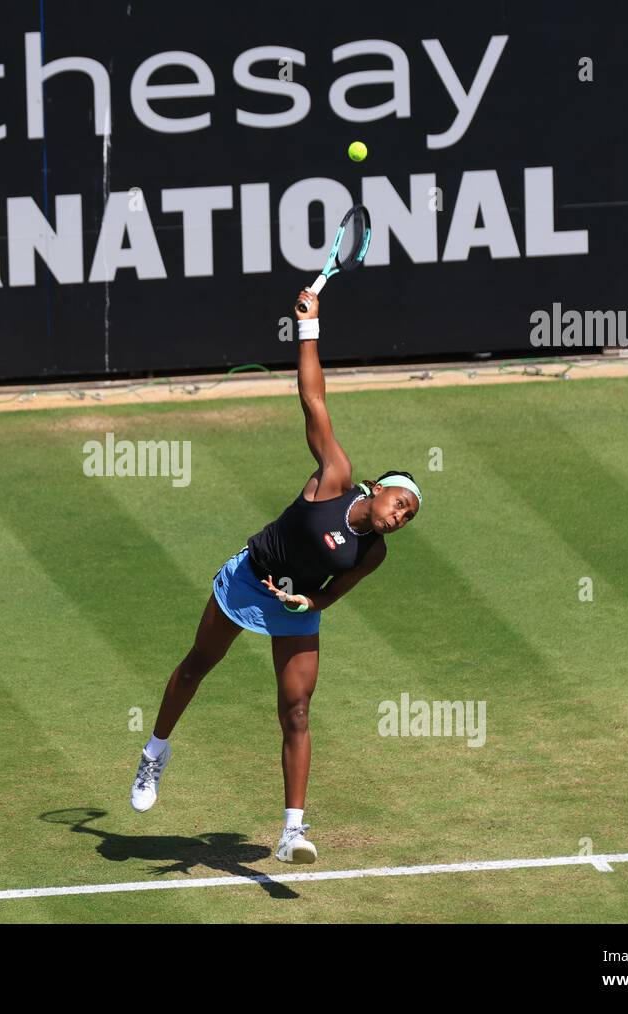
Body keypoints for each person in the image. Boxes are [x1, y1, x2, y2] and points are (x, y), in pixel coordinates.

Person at [130, 287, 423, 863]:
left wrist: (306, 607)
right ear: (380, 487)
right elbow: (312, 398)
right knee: (195, 667)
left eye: (410, 517)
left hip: (292, 608)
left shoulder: (374, 555)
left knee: (296, 710)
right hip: (248, 577)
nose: (402, 516)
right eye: (402, 502)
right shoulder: (335, 476)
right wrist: (310, 328)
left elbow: (330, 597)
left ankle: (292, 832)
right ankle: (155, 753)